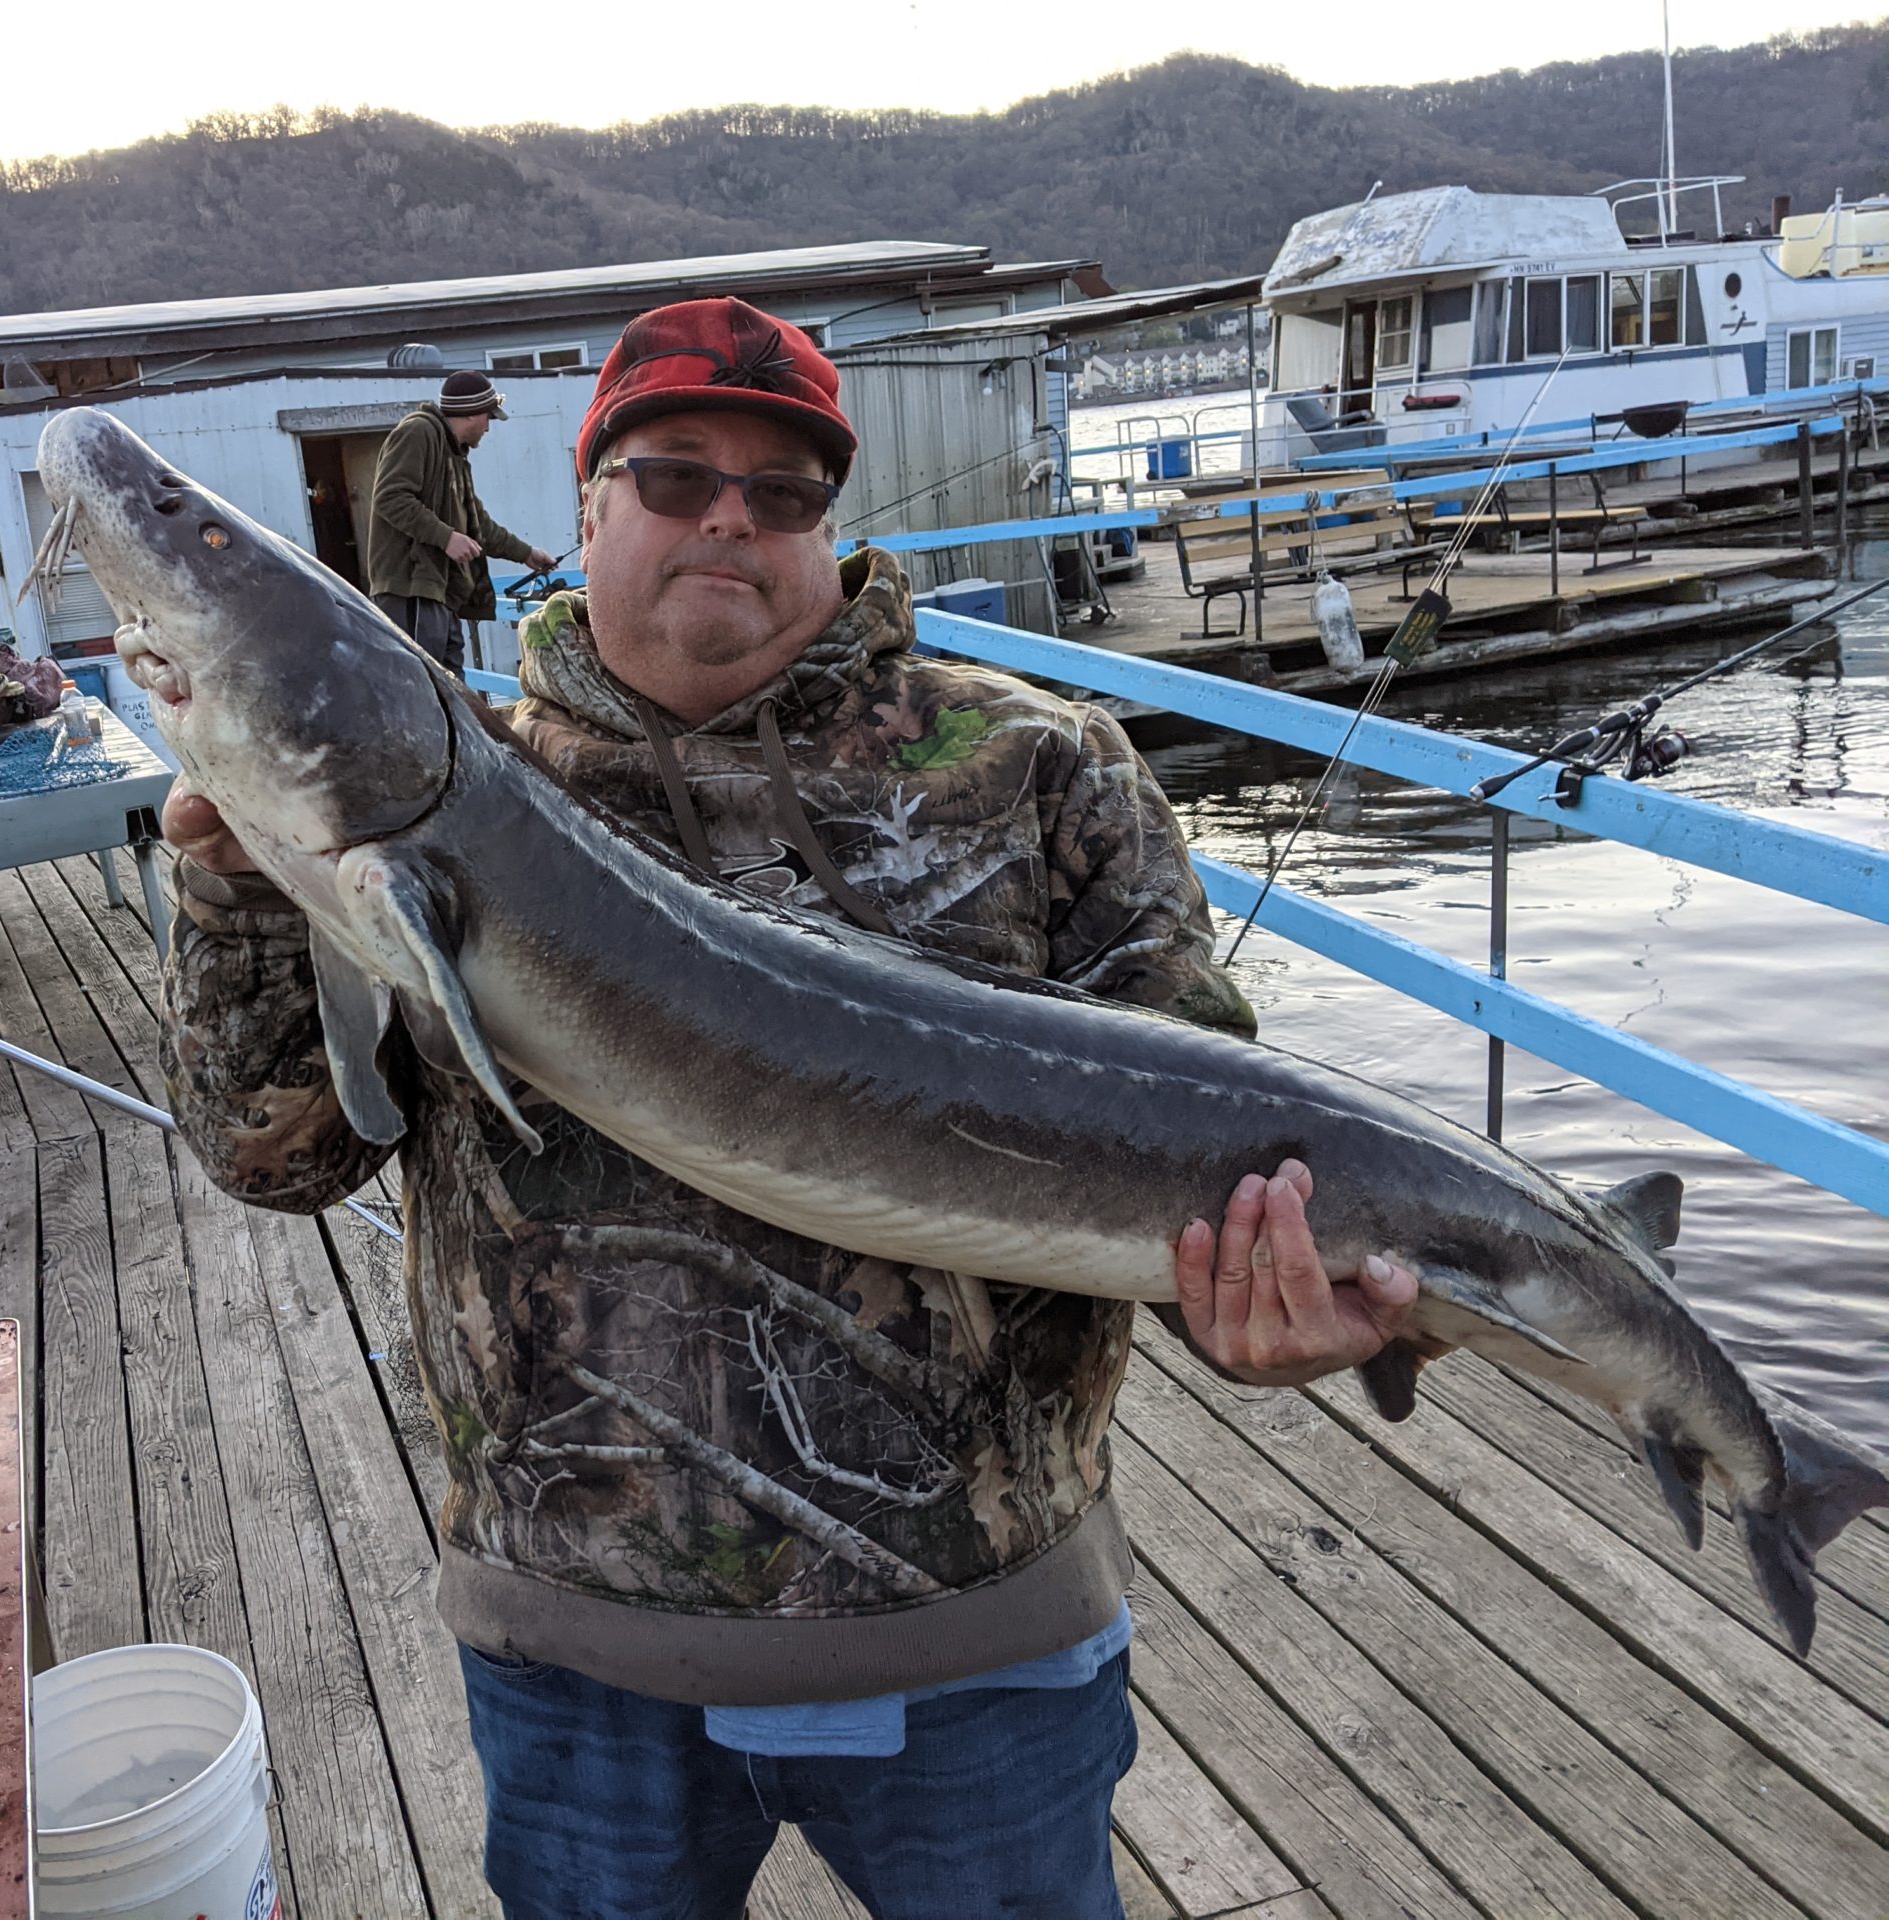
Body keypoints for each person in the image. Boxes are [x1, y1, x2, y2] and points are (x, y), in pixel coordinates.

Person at [161, 299, 1422, 1917]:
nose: (729, 520)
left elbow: (1197, 1152)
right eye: (676, 475)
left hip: (982, 1651)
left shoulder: (1045, 769)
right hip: (579, 1656)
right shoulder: (439, 784)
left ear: (829, 523)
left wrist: (1259, 1310)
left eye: (783, 490)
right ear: (590, 504)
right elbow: (276, 1161)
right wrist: (245, 896)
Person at [364, 369, 555, 675]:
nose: (488, 427)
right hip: (411, 590)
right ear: (470, 413)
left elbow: (478, 524)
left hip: (440, 593)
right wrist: (447, 537)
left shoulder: (454, 456)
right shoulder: (418, 432)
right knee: (422, 682)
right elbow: (390, 498)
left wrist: (526, 554)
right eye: (488, 417)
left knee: (451, 684)